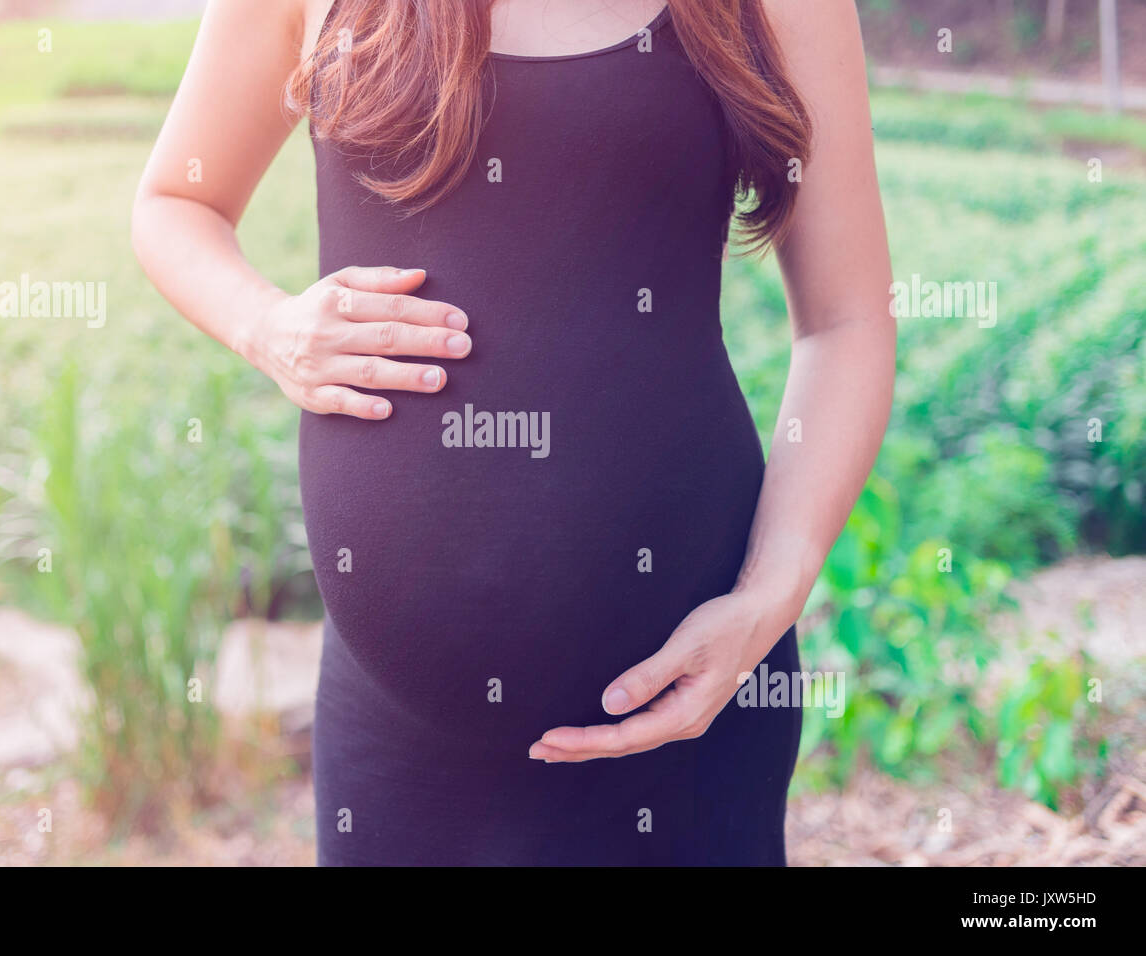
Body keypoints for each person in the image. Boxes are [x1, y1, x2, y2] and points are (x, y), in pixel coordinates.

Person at [132, 0, 895, 865]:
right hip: (394, 740)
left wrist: (770, 595)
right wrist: (266, 327)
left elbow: (846, 320)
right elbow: (176, 200)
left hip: (687, 720)